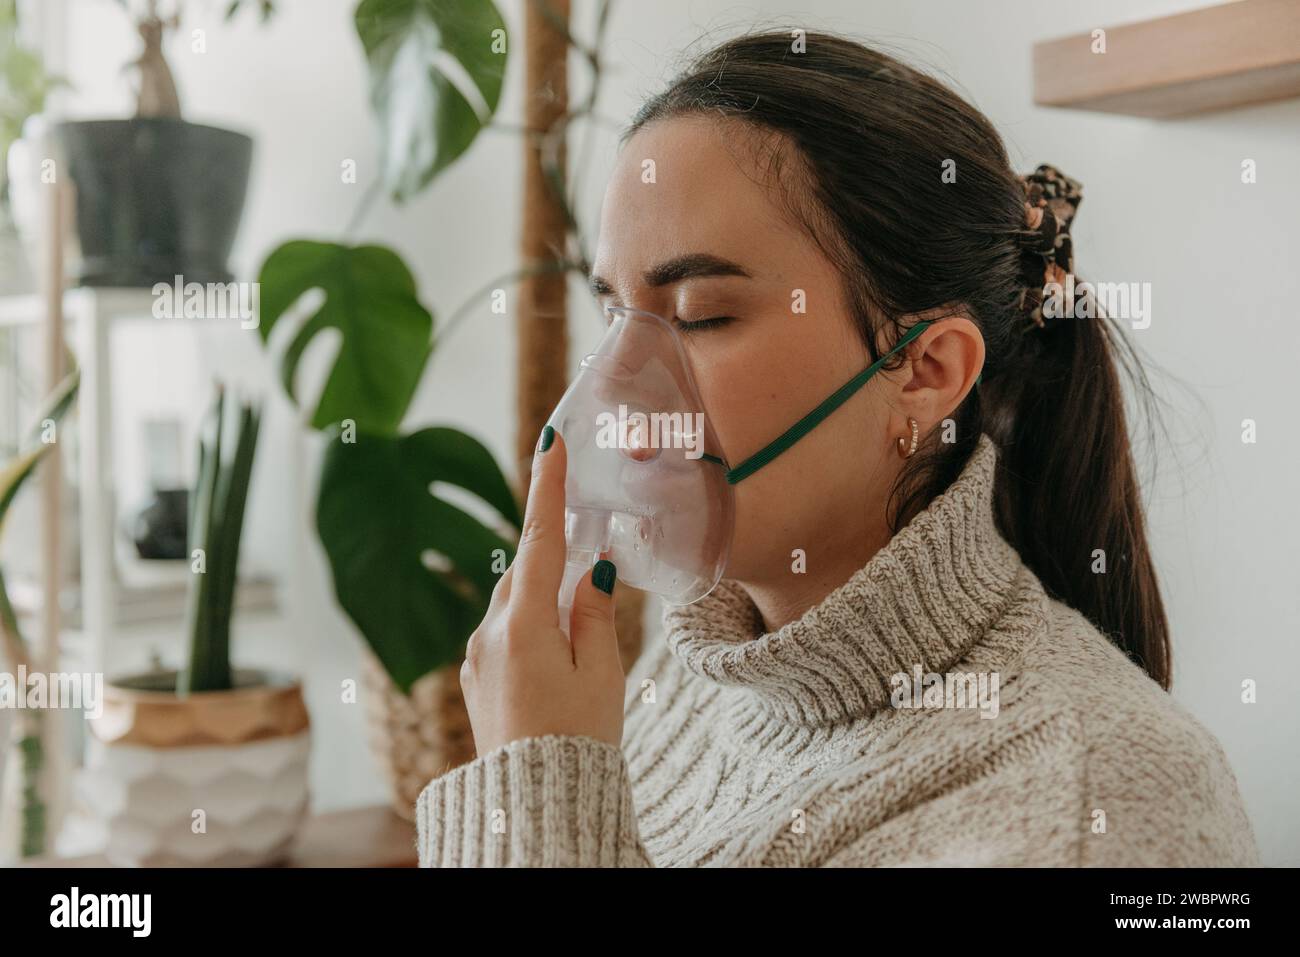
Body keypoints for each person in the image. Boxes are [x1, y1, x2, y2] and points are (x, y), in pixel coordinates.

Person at [416, 29, 1259, 867]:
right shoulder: (692, 679)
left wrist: (537, 797)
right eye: (614, 313)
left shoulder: (1099, 799)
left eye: (701, 315)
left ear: (926, 371)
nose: (619, 392)